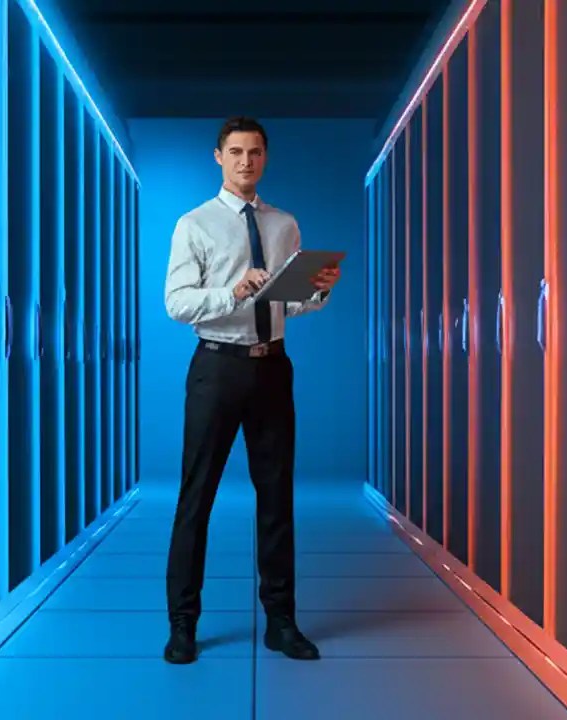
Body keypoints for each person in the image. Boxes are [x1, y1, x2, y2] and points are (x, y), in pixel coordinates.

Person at [161, 116, 340, 664]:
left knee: (277, 498)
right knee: (197, 498)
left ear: (265, 158)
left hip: (271, 369)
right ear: (218, 156)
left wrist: (318, 292)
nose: (246, 162)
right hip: (216, 367)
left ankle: (281, 622)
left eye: (255, 152)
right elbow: (177, 303)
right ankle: (183, 626)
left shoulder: (284, 224)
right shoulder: (193, 224)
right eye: (236, 152)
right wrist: (232, 292)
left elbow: (291, 304)